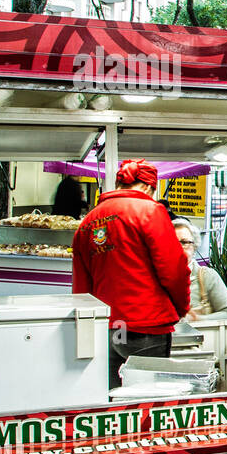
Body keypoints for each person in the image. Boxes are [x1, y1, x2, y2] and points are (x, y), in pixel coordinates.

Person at [72, 159, 190, 389]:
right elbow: (173, 270)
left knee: (111, 401)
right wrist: (180, 308)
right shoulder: (150, 211)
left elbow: (81, 288)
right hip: (146, 326)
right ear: (148, 187)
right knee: (145, 400)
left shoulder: (88, 222)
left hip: (107, 328)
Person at [173, 218, 227, 320]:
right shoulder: (155, 278)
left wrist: (197, 319)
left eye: (184, 242)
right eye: (173, 242)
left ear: (194, 246)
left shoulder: (207, 275)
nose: (179, 247)